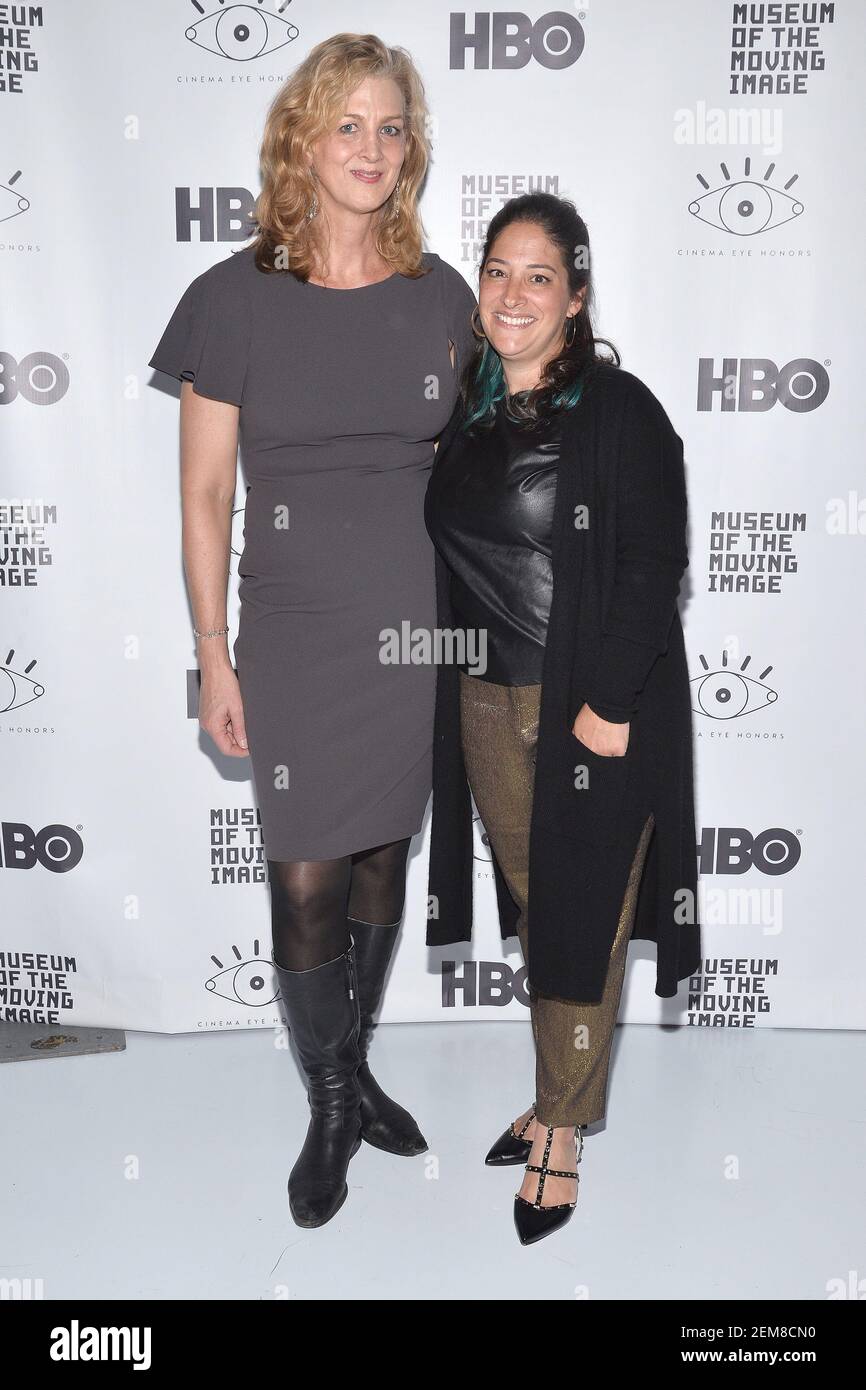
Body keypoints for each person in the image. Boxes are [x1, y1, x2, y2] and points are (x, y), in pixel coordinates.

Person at [148, 33, 476, 1229]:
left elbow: (485, 459)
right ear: (303, 139)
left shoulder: (440, 296)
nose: (372, 149)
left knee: (385, 853)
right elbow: (202, 494)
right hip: (290, 634)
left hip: (419, 633)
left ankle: (354, 1064)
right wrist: (211, 653)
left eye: (391, 128)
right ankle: (332, 1102)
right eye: (348, 125)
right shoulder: (232, 297)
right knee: (305, 878)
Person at [425, 192, 701, 1245]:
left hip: (583, 709)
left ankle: (562, 1130)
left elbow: (652, 562)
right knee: (546, 916)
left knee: (582, 920)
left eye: (538, 274)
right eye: (496, 269)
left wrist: (606, 703)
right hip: (485, 703)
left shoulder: (619, 410)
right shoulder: (467, 411)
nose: (511, 292)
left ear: (575, 295)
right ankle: (556, 1086)